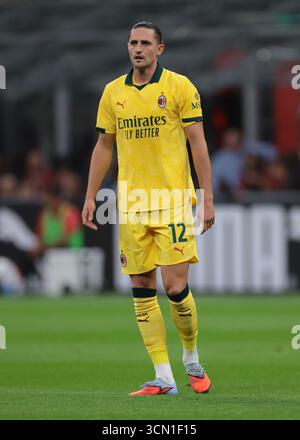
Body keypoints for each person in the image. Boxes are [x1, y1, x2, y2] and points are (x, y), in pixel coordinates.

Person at [82, 22, 215, 396]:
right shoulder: (112, 93)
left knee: (175, 287)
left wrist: (206, 195)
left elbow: (198, 144)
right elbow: (104, 146)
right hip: (133, 205)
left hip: (172, 201)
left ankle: (191, 357)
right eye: (132, 42)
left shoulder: (179, 87)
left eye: (145, 43)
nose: (137, 48)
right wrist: (91, 194)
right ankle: (164, 377)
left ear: (160, 49)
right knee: (141, 288)